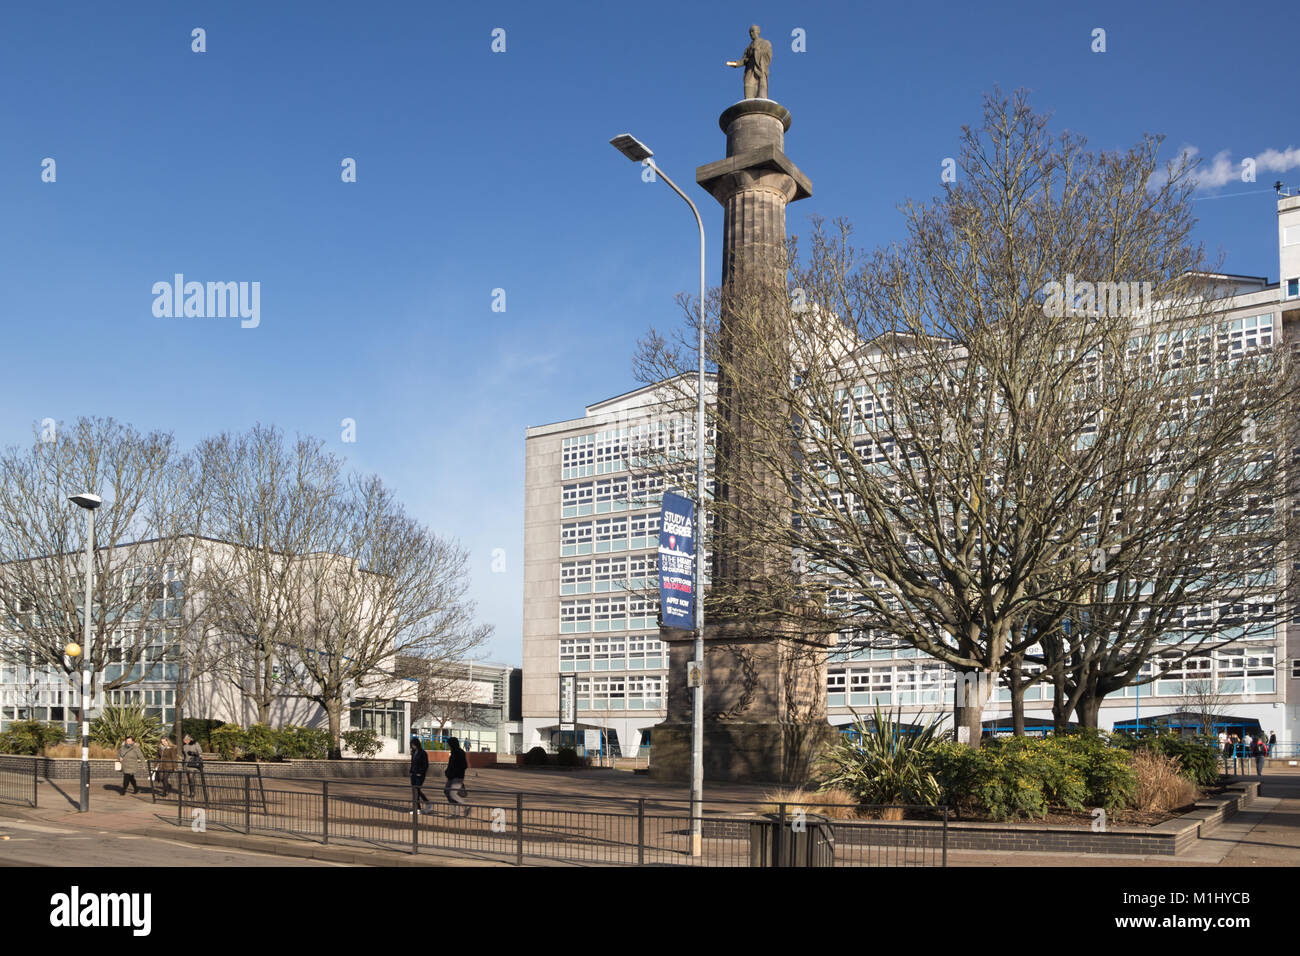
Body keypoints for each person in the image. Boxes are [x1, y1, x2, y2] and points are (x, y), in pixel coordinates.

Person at [444, 736, 470, 817]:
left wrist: (455, 770)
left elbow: (464, 765)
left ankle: (466, 807)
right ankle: (456, 813)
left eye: (449, 744)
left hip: (458, 777)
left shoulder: (460, 752)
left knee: (452, 793)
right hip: (451, 776)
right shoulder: (453, 752)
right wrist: (448, 771)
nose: (448, 745)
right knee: (447, 792)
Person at [409, 735, 431, 814]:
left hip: (420, 775)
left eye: (413, 745)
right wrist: (411, 772)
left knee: (417, 790)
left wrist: (420, 772)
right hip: (413, 774)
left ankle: (422, 805)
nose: (412, 746)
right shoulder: (414, 752)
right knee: (415, 791)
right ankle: (418, 807)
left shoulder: (423, 753)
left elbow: (425, 764)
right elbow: (413, 763)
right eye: (412, 745)